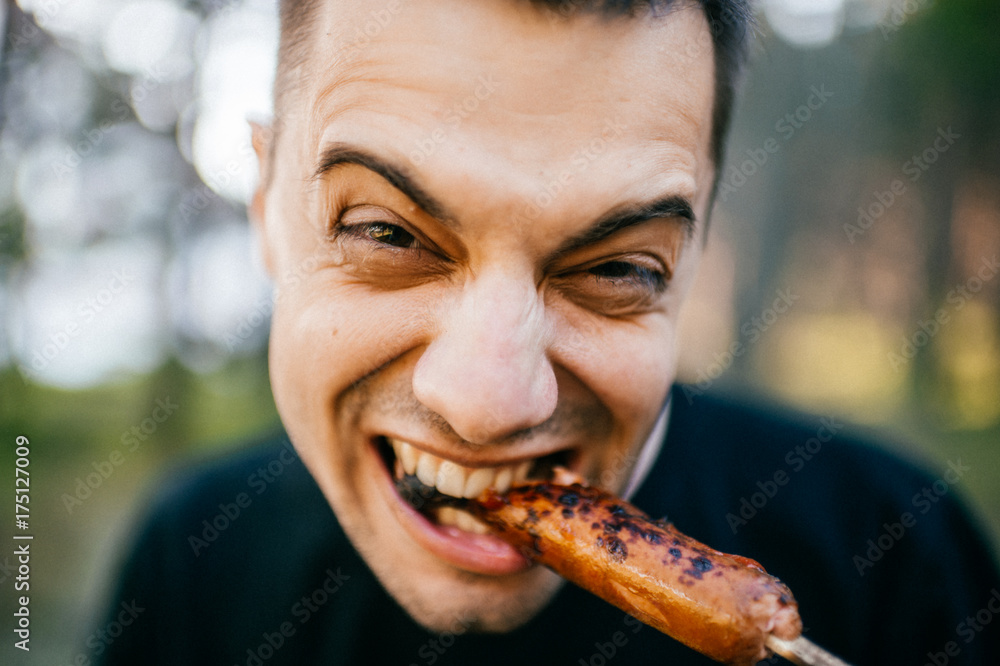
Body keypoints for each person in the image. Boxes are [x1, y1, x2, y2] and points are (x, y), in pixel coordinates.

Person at [91, 0, 1000, 664]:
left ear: (691, 269)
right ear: (264, 212)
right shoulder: (191, 565)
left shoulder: (904, 566)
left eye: (617, 268)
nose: (488, 406)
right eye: (387, 232)